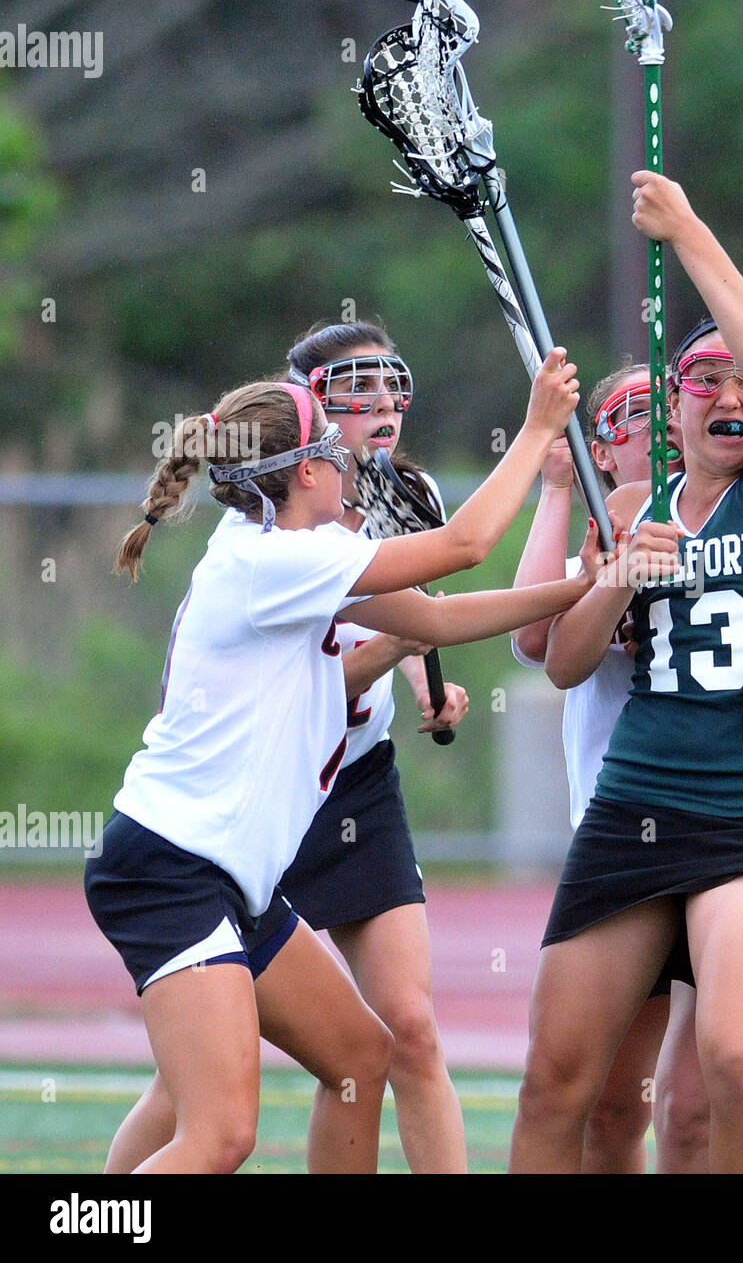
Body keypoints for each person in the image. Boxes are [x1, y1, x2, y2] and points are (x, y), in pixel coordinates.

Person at [90, 353, 591, 1172]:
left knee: (361, 1055)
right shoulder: (274, 562)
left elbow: (444, 616)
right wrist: (538, 430)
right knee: (218, 1132)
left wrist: (582, 588)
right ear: (306, 470)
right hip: (171, 867)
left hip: (226, 873)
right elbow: (465, 545)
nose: (345, 457)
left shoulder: (286, 552)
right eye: (330, 443)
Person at [508, 171, 743, 1175]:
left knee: (733, 1060)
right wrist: (616, 581)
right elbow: (562, 663)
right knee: (556, 1084)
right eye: (704, 378)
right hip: (634, 800)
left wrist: (688, 227)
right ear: (675, 405)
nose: (731, 392)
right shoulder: (639, 517)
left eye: (738, 379)